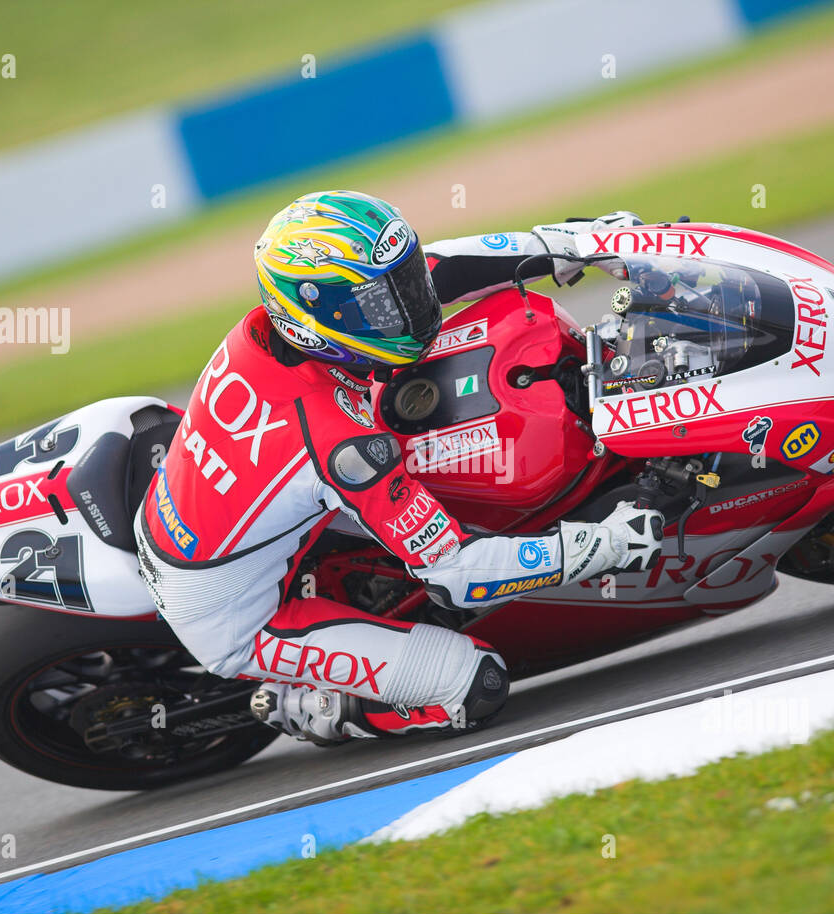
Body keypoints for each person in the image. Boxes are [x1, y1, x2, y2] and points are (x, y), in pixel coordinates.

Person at [134, 190, 664, 745]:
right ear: (316, 317)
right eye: (381, 303)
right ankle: (312, 704)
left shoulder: (273, 329)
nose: (410, 306)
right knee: (474, 684)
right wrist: (608, 544)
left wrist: (577, 243)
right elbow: (458, 574)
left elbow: (443, 266)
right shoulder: (338, 442)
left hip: (204, 512)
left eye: (401, 282)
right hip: (233, 618)